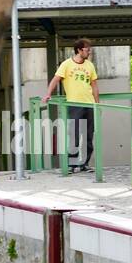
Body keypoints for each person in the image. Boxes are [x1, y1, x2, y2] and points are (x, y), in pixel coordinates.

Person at [43, 37, 99, 172]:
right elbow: (55, 79)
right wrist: (48, 93)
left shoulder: (89, 65)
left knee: (88, 135)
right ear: (79, 50)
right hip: (74, 104)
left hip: (89, 104)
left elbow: (94, 85)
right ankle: (71, 164)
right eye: (87, 50)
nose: (89, 52)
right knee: (74, 134)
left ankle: (84, 164)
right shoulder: (67, 64)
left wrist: (97, 104)